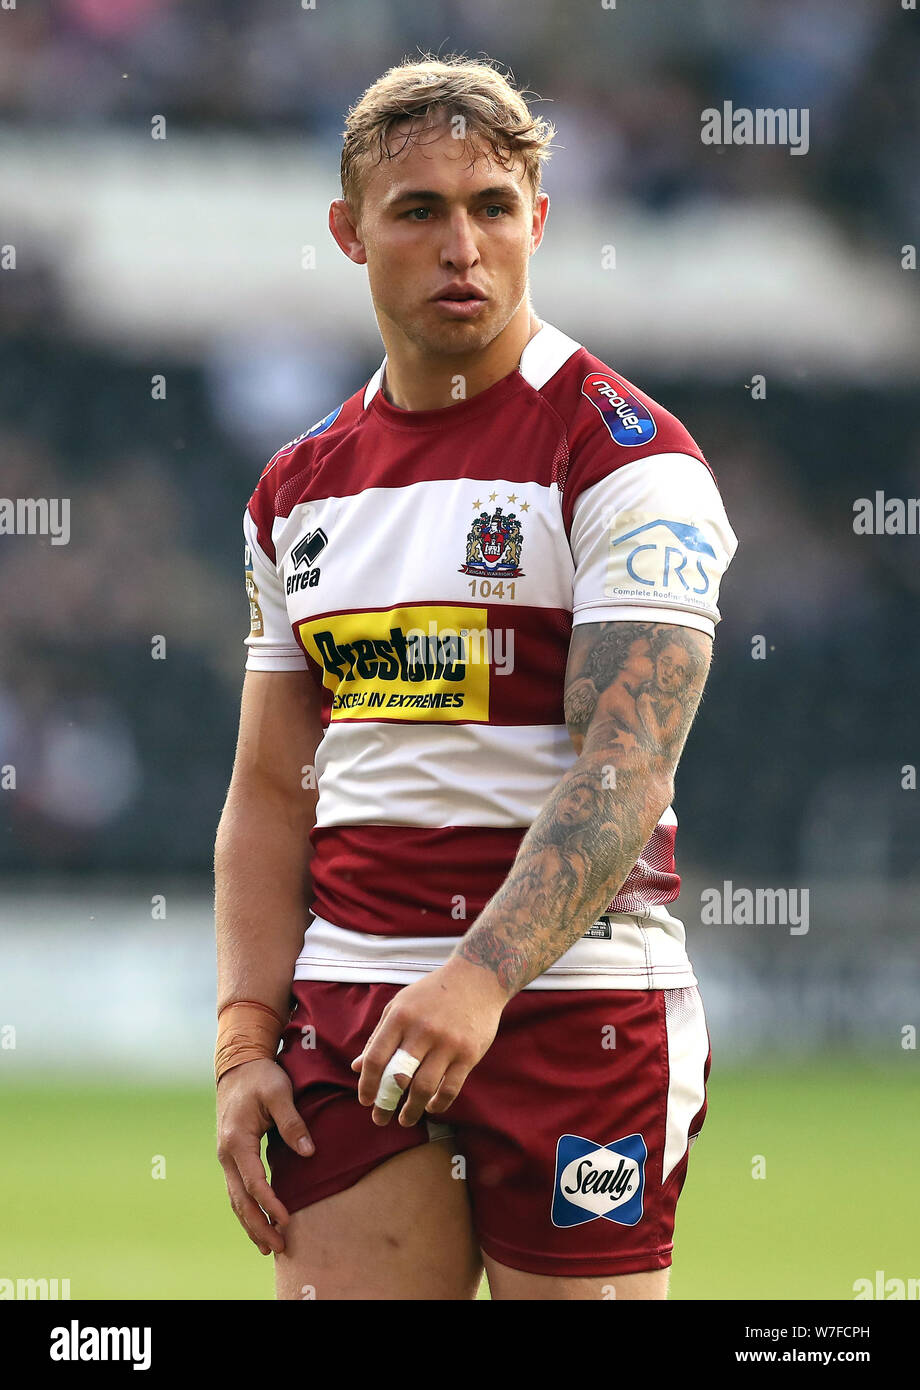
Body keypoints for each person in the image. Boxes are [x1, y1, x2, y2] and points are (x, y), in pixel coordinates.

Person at [214, 53, 738, 1302]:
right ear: (348, 233)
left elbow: (625, 768)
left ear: (538, 223)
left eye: (492, 206)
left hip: (574, 1009)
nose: (462, 243)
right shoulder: (298, 488)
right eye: (418, 210)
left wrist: (480, 976)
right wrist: (242, 1039)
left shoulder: (628, 459)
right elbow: (269, 789)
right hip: (347, 1008)